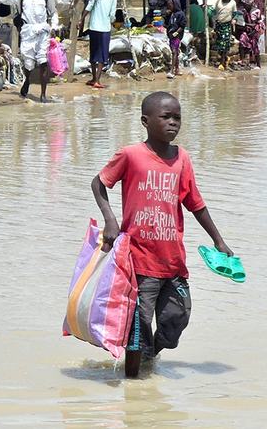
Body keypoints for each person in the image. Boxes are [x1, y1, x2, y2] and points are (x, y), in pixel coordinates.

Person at [91, 91, 234, 376]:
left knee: (176, 319)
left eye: (177, 118)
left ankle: (150, 355)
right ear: (146, 121)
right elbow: (99, 183)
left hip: (172, 262)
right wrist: (110, 219)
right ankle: (133, 385)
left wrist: (218, 240)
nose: (173, 123)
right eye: (166, 117)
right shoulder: (131, 155)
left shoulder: (182, 158)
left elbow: (195, 204)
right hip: (140, 262)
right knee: (138, 325)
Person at [12, 0, 55, 102]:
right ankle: (27, 80)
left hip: (43, 33)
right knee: (28, 64)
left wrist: (54, 27)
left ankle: (43, 94)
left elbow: (53, 12)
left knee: (43, 62)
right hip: (28, 33)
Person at [83, 0, 118, 89]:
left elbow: (89, 7)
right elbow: (112, 14)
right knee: (102, 56)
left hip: (93, 28)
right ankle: (97, 81)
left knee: (93, 53)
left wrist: (81, 20)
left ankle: (93, 78)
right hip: (104, 29)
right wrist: (113, 21)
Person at [211, 0, 237, 70]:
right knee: (218, 44)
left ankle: (222, 63)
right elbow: (214, 11)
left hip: (227, 25)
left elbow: (235, 13)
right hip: (219, 25)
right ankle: (225, 58)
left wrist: (234, 19)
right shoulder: (218, 2)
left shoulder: (233, 3)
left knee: (224, 44)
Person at [237, 0, 265, 68]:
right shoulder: (243, 11)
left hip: (255, 32)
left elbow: (260, 23)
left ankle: (258, 65)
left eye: (245, 4)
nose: (244, 6)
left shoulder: (256, 11)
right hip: (246, 30)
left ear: (250, 4)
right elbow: (241, 22)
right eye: (243, 4)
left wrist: (255, 29)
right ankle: (242, 60)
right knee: (242, 41)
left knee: (255, 48)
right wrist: (247, 25)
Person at [165, 0, 186, 79]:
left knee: (174, 52)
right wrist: (166, 15)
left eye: (170, 5)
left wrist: (177, 32)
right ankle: (177, 69)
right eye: (168, 6)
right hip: (170, 35)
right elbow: (166, 24)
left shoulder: (180, 14)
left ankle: (171, 71)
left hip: (177, 36)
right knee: (175, 52)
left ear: (174, 5)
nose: (169, 7)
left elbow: (183, 25)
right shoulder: (171, 14)